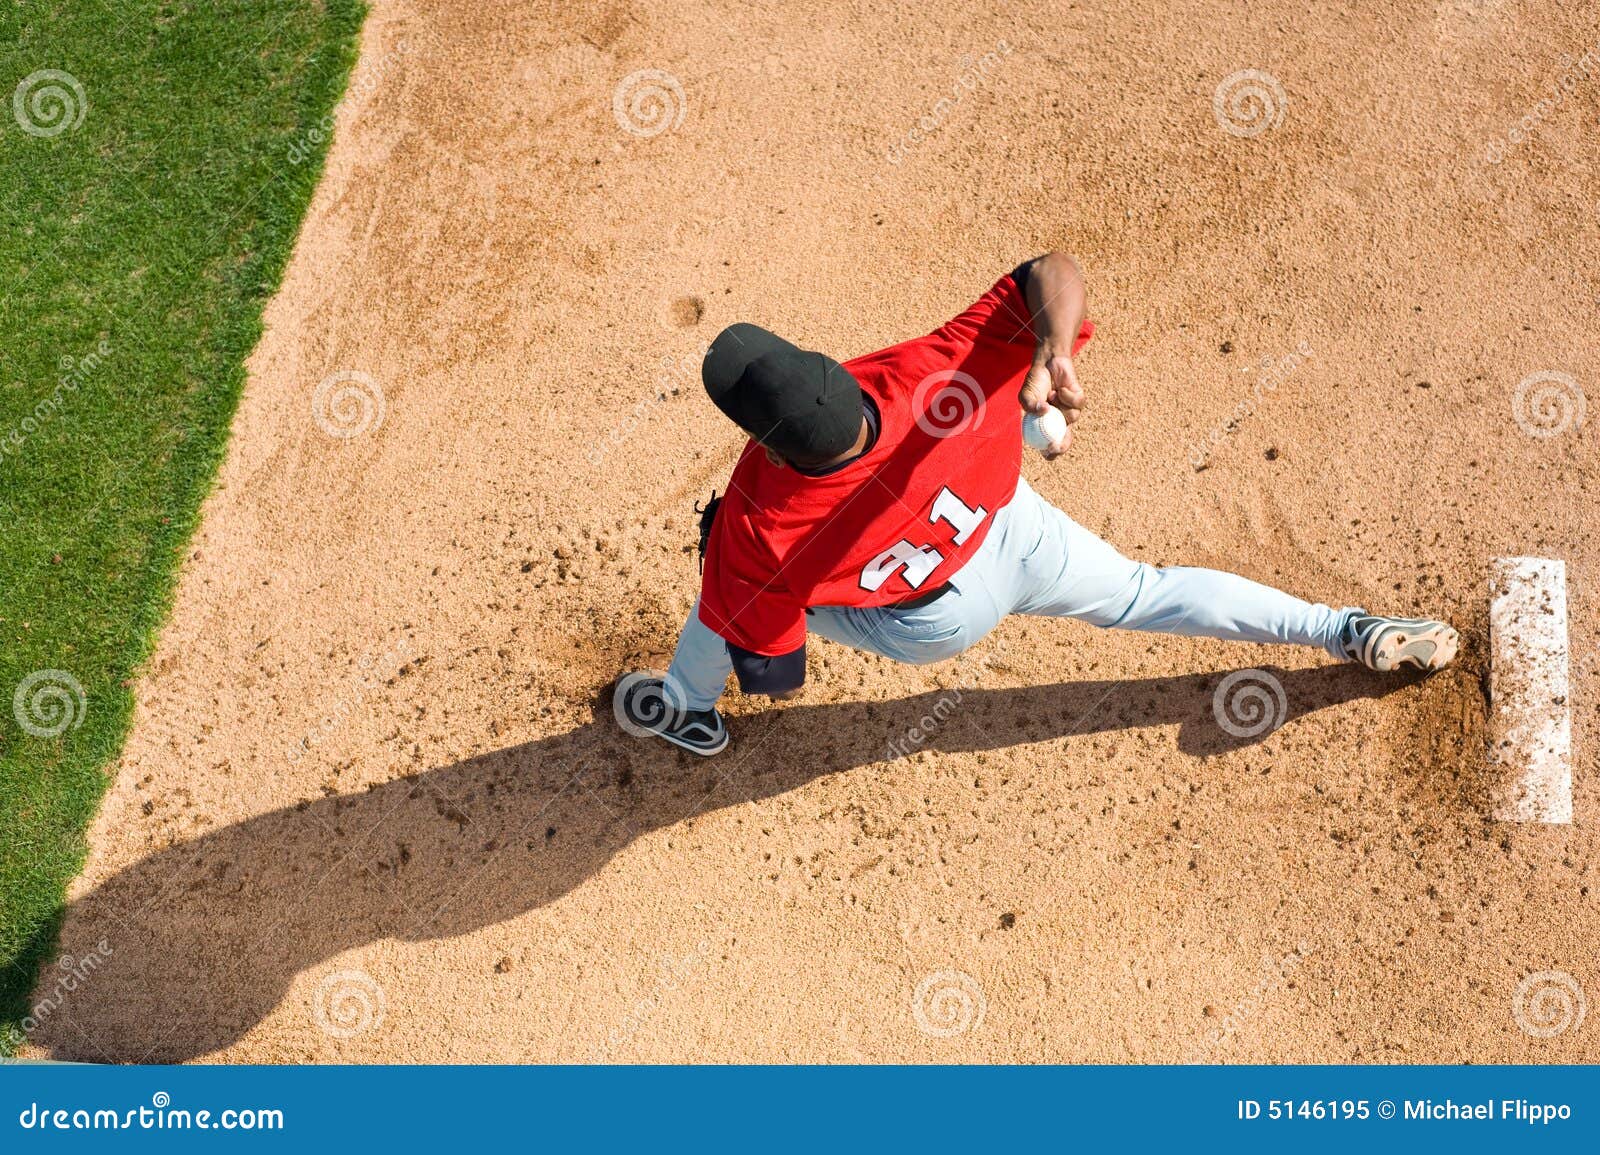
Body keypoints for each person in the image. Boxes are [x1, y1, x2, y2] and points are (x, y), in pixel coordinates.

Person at [615, 253, 1457, 755]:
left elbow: (780, 675)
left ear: (768, 443)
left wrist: (739, 563)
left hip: (931, 624)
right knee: (1143, 590)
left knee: (729, 587)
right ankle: (1347, 630)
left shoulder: (765, 519)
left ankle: (685, 711)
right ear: (837, 371)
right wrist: (1049, 350)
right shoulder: (924, 370)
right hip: (1013, 528)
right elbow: (1056, 267)